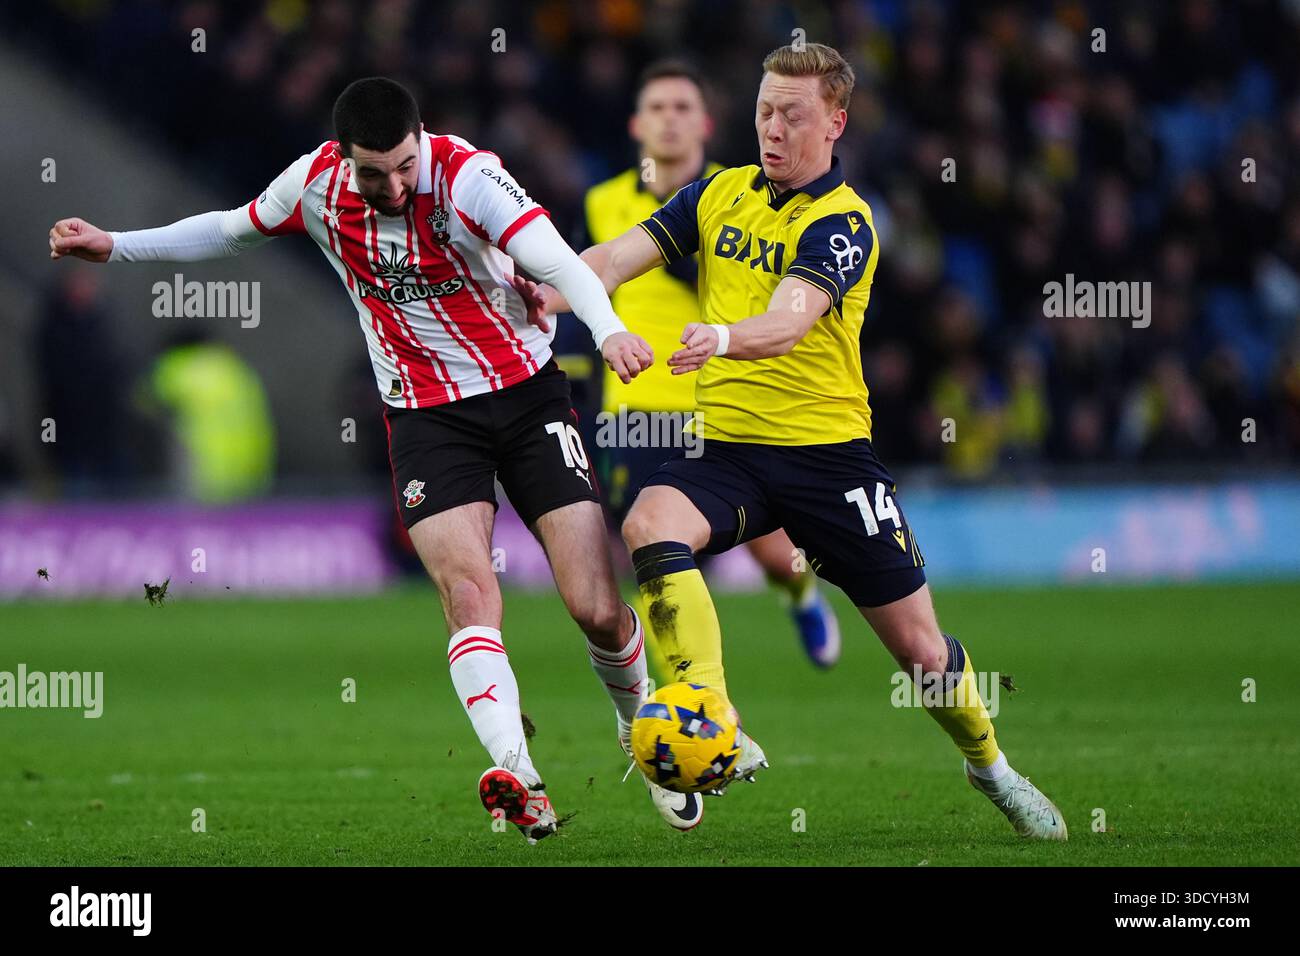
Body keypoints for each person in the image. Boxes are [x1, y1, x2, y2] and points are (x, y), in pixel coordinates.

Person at [47, 76, 707, 841]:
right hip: (426, 417)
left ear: (420, 139)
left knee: (594, 603)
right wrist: (116, 246)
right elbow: (229, 229)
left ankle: (641, 732)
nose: (392, 185)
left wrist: (606, 329)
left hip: (526, 398)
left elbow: (558, 262)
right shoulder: (316, 185)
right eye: (374, 173)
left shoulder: (468, 175)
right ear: (345, 157)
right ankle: (518, 773)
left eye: (402, 166)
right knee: (468, 594)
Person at [528, 44, 1067, 839]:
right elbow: (616, 257)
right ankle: (708, 704)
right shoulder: (716, 194)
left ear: (836, 121)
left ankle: (991, 766)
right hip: (731, 449)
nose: (773, 129)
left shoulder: (844, 221)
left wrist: (717, 333)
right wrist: (553, 287)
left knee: (921, 652)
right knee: (647, 521)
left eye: (793, 114)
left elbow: (788, 322)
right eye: (764, 111)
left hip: (829, 460)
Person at [581, 59, 842, 671]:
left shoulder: (740, 194)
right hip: (637, 404)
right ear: (636, 126)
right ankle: (697, 702)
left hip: (725, 396)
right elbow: (589, 277)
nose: (669, 121)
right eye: (657, 109)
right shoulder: (601, 201)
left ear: (706, 124)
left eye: (682, 109)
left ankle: (800, 592)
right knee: (658, 555)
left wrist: (676, 238)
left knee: (778, 557)